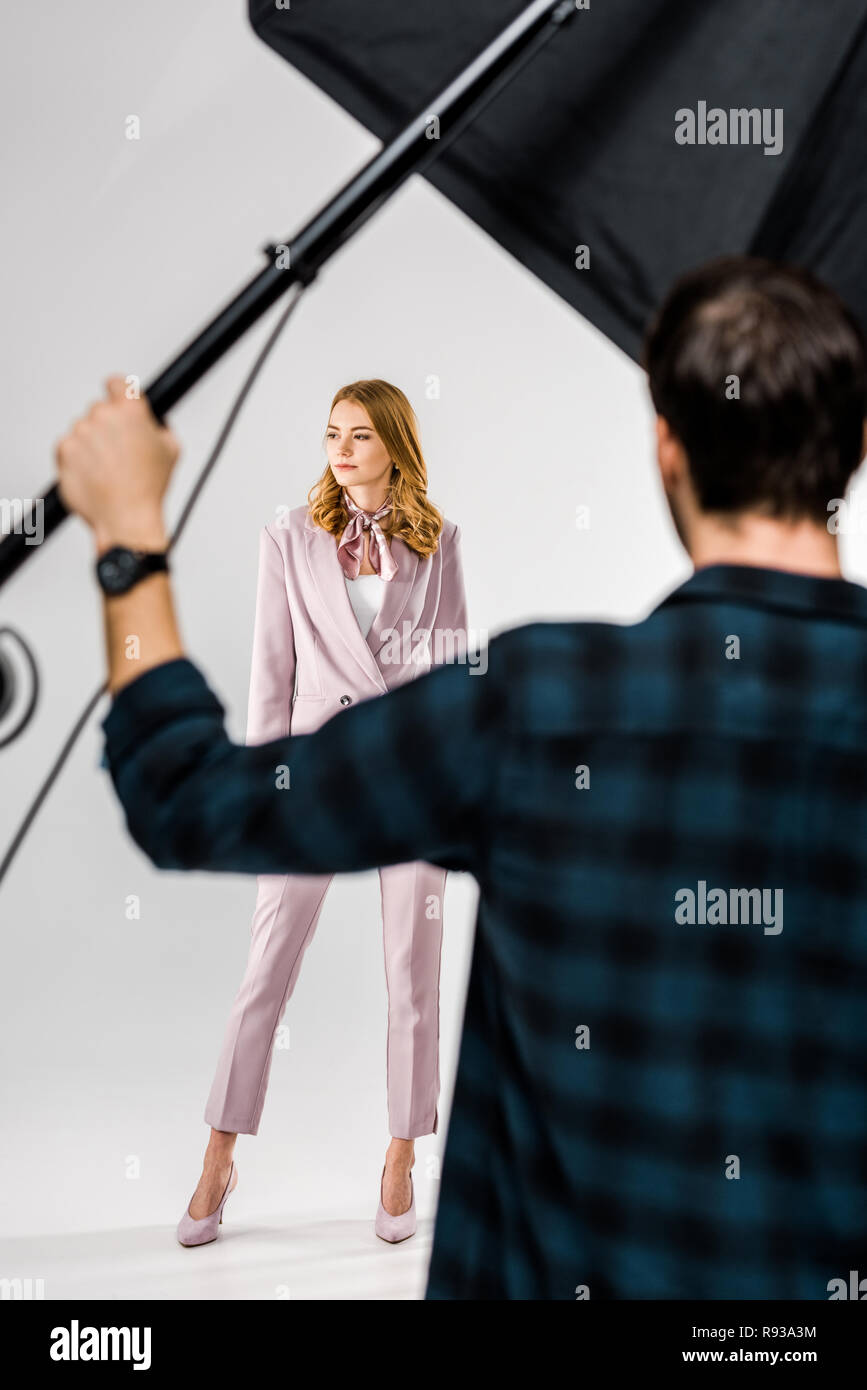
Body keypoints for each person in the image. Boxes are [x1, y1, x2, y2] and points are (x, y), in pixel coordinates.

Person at [57, 255, 867, 1299]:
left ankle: (394, 1156)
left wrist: (128, 538)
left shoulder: (539, 700)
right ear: (854, 443)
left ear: (666, 445)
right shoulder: (492, 677)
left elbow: (186, 794)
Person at [176, 379, 468, 1247]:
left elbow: (453, 669)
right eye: (332, 434)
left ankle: (401, 1155)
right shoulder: (289, 539)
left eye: (361, 437)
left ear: (395, 448)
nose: (341, 451)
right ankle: (218, 1155)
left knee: (412, 975)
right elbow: (272, 675)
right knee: (264, 970)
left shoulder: (440, 541)